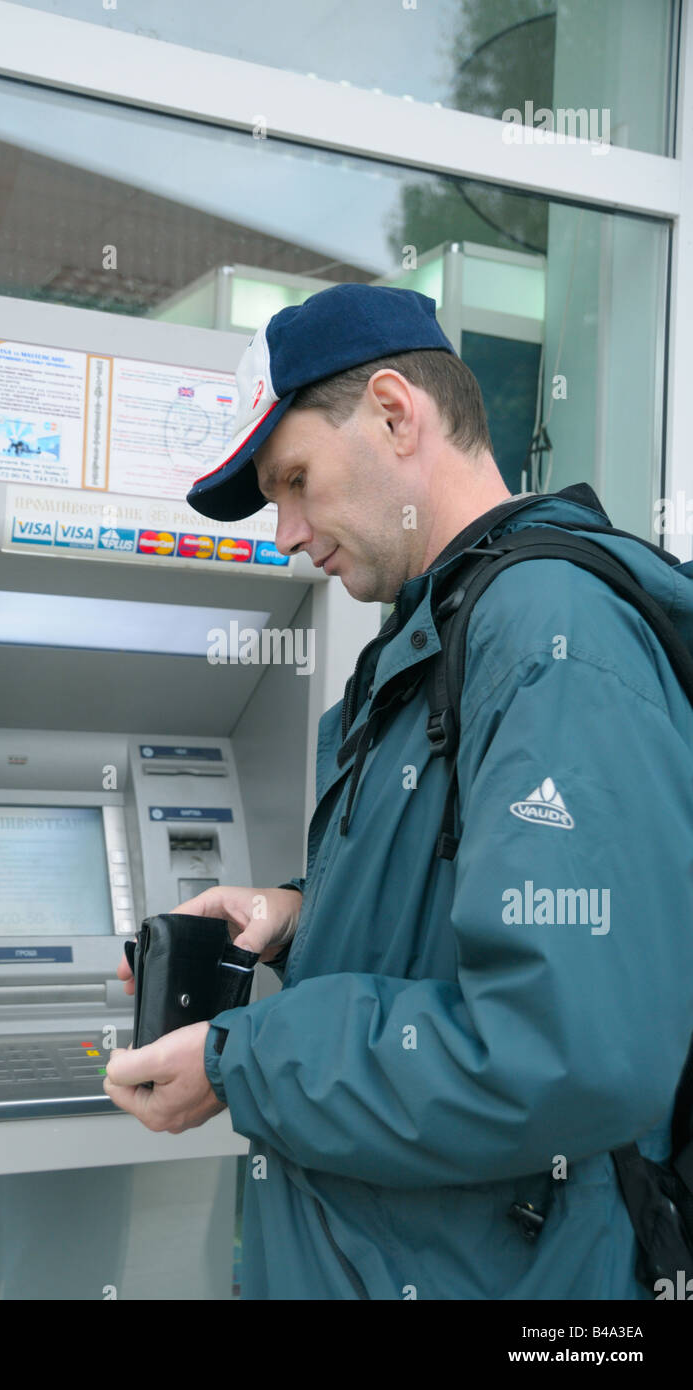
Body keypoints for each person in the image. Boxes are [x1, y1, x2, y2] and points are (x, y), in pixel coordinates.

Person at [104, 283, 693, 1299]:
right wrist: (294, 914)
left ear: (392, 410)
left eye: (293, 479)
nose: (284, 531)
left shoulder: (552, 638)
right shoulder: (441, 629)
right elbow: (465, 909)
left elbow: (567, 1049)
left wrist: (240, 1060)